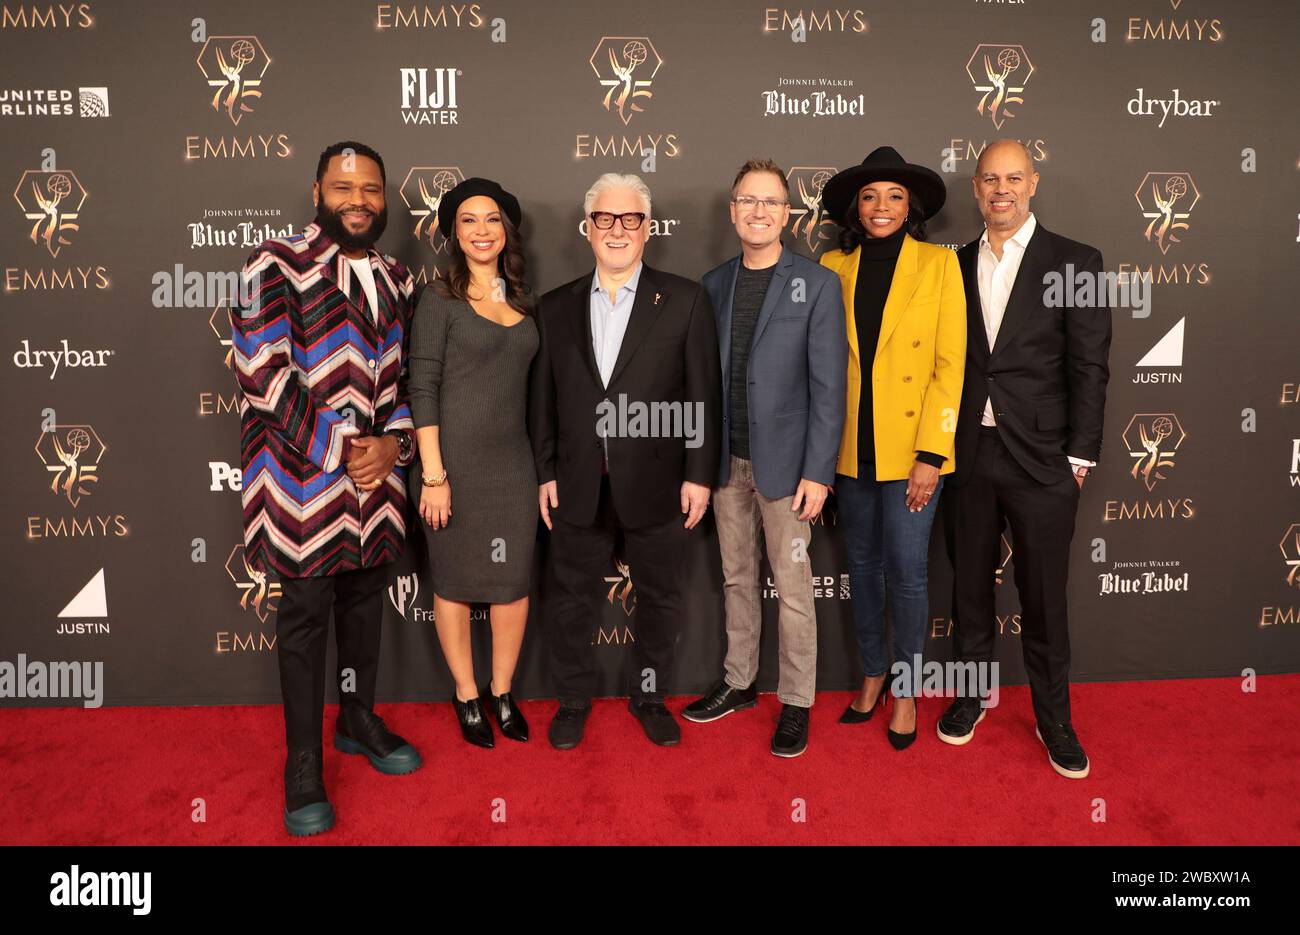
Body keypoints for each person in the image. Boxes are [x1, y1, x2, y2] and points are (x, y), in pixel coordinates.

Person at [230, 140, 422, 837]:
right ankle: (303, 760)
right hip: (302, 482)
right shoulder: (271, 261)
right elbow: (263, 370)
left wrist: (392, 444)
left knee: (366, 600)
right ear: (317, 192)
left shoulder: (399, 277)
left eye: (371, 188)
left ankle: (358, 718)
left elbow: (398, 383)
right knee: (307, 615)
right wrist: (347, 449)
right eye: (344, 188)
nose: (359, 200)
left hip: (374, 487)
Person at [529, 172, 722, 750]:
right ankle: (571, 700)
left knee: (660, 596)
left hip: (660, 483)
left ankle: (648, 695)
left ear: (647, 230)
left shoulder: (685, 300)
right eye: (605, 220)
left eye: (630, 219)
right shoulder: (554, 306)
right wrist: (544, 472)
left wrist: (699, 475)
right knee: (570, 599)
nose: (618, 230)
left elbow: (703, 397)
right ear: (588, 229)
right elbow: (544, 401)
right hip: (578, 482)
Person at [938, 140, 1110, 779]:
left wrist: (1081, 455)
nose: (1001, 189)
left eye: (1014, 178)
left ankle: (1054, 718)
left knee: (1043, 599)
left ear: (1033, 183)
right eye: (990, 179)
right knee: (969, 591)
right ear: (976, 188)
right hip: (969, 455)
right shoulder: (951, 265)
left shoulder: (1076, 261)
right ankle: (970, 696)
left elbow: (1090, 367)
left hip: (1043, 461)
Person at [684, 159, 846, 758]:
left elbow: (830, 387)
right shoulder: (714, 283)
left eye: (771, 202)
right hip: (728, 465)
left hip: (788, 469)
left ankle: (797, 702)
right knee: (736, 578)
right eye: (748, 201)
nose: (758, 211)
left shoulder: (818, 283)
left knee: (794, 587)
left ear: (788, 213)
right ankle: (739, 681)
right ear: (732, 211)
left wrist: (818, 471)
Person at [818, 146, 966, 750]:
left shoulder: (938, 266)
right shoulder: (831, 265)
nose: (882, 206)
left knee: (907, 574)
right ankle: (873, 672)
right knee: (864, 569)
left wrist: (932, 454)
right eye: (871, 196)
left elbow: (949, 368)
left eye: (895, 196)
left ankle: (906, 689)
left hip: (912, 455)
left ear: (913, 207)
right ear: (856, 206)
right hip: (851, 451)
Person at [407, 178, 538, 749]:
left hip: (514, 466)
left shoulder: (526, 300)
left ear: (506, 228)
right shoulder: (439, 300)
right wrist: (434, 476)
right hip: (451, 466)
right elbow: (423, 387)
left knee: (511, 584)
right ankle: (465, 693)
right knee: (456, 583)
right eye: (468, 220)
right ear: (452, 233)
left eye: (491, 219)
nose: (481, 230)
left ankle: (502, 690)